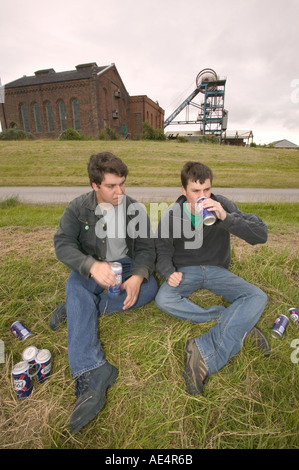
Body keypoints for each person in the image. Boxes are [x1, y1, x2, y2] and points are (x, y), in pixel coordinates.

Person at [51, 152, 157, 433]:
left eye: (123, 183)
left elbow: (146, 249)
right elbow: (62, 244)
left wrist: (137, 276)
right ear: (95, 185)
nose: (120, 191)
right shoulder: (77, 209)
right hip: (94, 268)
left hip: (126, 266)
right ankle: (92, 370)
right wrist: (90, 265)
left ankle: (76, 308)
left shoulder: (135, 209)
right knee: (75, 285)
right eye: (112, 186)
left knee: (150, 289)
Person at [155, 161, 270, 395]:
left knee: (258, 296)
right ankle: (234, 322)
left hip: (217, 271)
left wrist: (226, 217)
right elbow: (162, 252)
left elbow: (260, 235)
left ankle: (204, 349)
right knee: (163, 300)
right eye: (196, 191)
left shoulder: (222, 205)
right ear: (183, 191)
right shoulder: (171, 216)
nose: (202, 195)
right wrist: (169, 272)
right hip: (186, 271)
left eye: (206, 189)